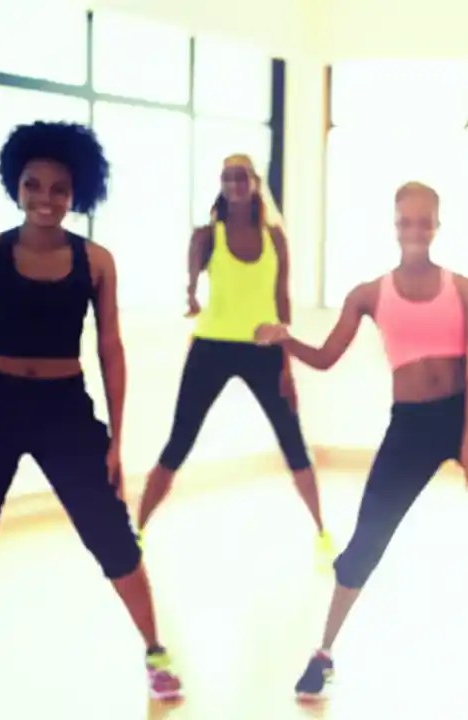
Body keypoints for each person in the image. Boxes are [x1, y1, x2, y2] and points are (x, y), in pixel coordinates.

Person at [251, 182, 468, 699]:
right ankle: (323, 653)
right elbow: (325, 356)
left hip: (463, 414)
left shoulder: (467, 288)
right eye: (406, 221)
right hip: (409, 426)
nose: (415, 230)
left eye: (425, 220)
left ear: (438, 224)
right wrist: (284, 338)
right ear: (394, 224)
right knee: (366, 540)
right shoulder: (369, 293)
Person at [0, 121, 182, 700]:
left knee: (110, 534)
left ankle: (155, 650)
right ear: (15, 186)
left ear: (77, 193)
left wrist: (118, 440)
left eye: (59, 188)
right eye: (33, 185)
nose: (45, 199)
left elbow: (110, 350)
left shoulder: (96, 261)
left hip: (63, 407)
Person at [136, 155, 331, 561]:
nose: (235, 182)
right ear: (221, 184)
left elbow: (282, 301)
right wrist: (190, 292)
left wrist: (286, 364)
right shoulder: (207, 236)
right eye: (227, 176)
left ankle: (321, 533)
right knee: (180, 439)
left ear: (255, 182)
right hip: (211, 347)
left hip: (264, 349)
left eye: (242, 175)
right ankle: (136, 532)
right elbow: (190, 291)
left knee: (292, 440)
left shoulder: (276, 237)